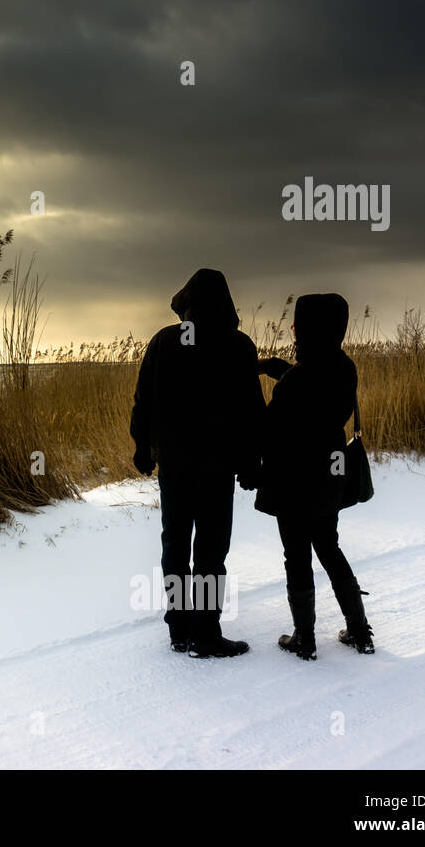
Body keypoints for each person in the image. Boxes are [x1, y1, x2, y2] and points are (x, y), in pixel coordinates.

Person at [130, 269, 264, 658]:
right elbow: (251, 413)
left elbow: (144, 402)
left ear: (186, 301)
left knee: (174, 545)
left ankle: (179, 629)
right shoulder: (238, 345)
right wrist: (252, 464)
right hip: (217, 468)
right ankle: (205, 633)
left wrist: (143, 448)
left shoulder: (164, 341)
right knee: (209, 551)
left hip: (174, 466)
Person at [256, 293, 375, 660]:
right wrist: (275, 367)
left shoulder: (297, 382)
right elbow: (311, 379)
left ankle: (304, 639)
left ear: (308, 329)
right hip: (330, 474)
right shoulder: (343, 367)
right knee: (328, 546)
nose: (293, 331)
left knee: (296, 555)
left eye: (297, 326)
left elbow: (267, 428)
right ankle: (359, 631)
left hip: (294, 479)